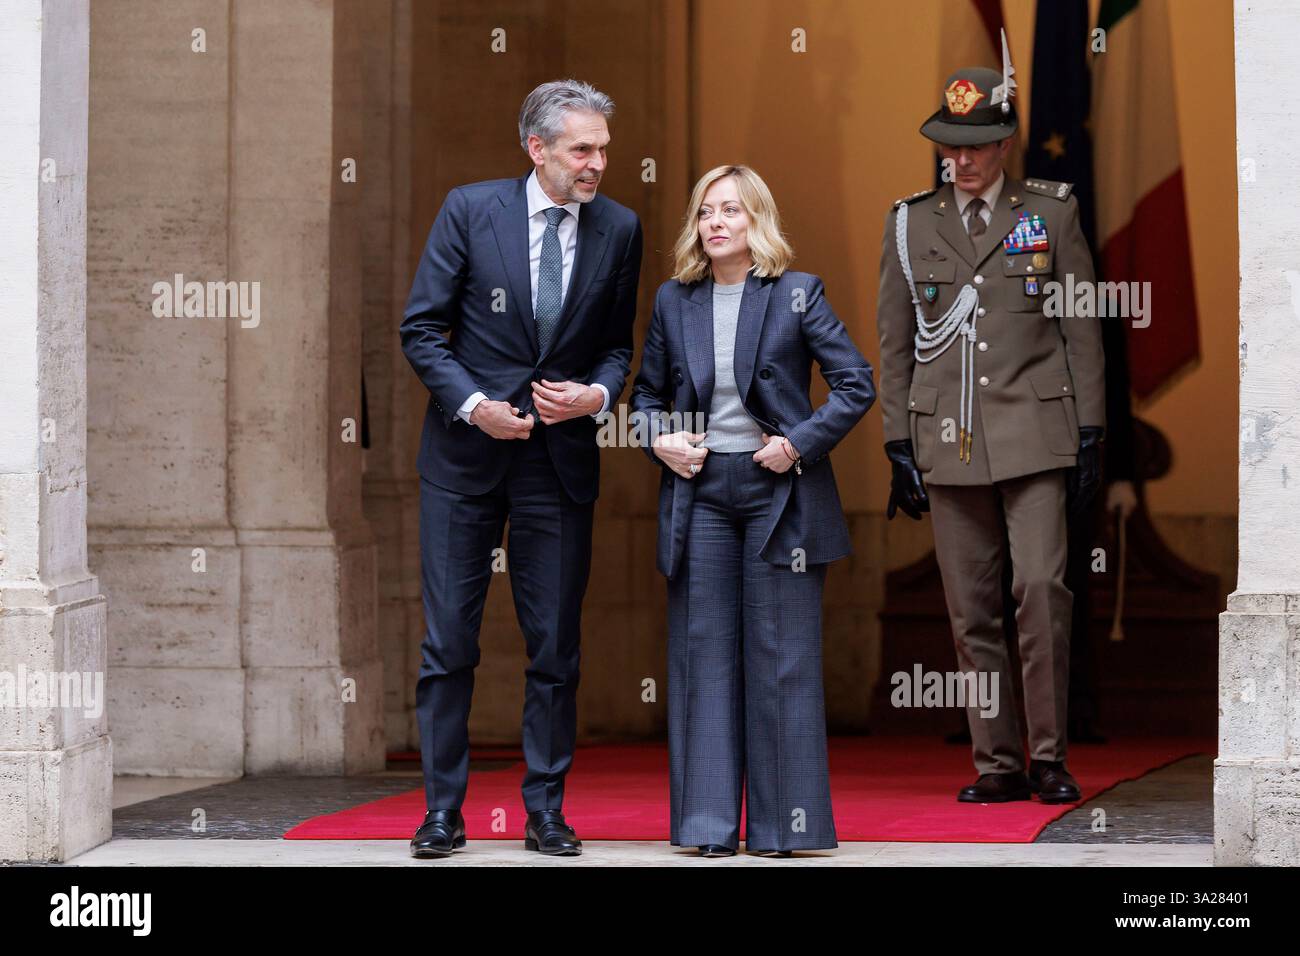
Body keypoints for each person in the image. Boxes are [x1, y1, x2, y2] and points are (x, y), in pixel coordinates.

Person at [400, 79, 643, 857]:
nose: (597, 163)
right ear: (536, 148)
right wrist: (475, 406)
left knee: (554, 647)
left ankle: (546, 811)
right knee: (450, 646)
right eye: (583, 149)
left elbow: (617, 342)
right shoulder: (470, 210)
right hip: (464, 459)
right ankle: (442, 813)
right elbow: (422, 330)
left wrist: (597, 394)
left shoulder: (621, 229)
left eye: (603, 148)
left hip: (559, 467)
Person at [876, 65, 1106, 804]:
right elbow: (896, 339)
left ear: (1005, 141)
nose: (961, 159)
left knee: (1040, 590)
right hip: (948, 436)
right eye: (950, 145)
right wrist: (896, 442)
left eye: (975, 145)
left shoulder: (1052, 213)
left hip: (1037, 431)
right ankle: (996, 762)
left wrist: (1093, 428)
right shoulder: (910, 222)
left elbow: (1080, 324)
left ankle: (1047, 756)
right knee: (970, 609)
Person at [630, 165, 874, 856]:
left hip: (780, 493)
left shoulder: (797, 293)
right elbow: (644, 398)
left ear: (755, 220)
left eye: (731, 211)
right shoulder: (675, 300)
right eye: (706, 211)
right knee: (702, 655)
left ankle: (782, 830)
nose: (715, 222)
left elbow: (855, 383)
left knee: (781, 661)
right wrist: (660, 440)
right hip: (701, 492)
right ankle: (706, 829)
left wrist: (796, 444)